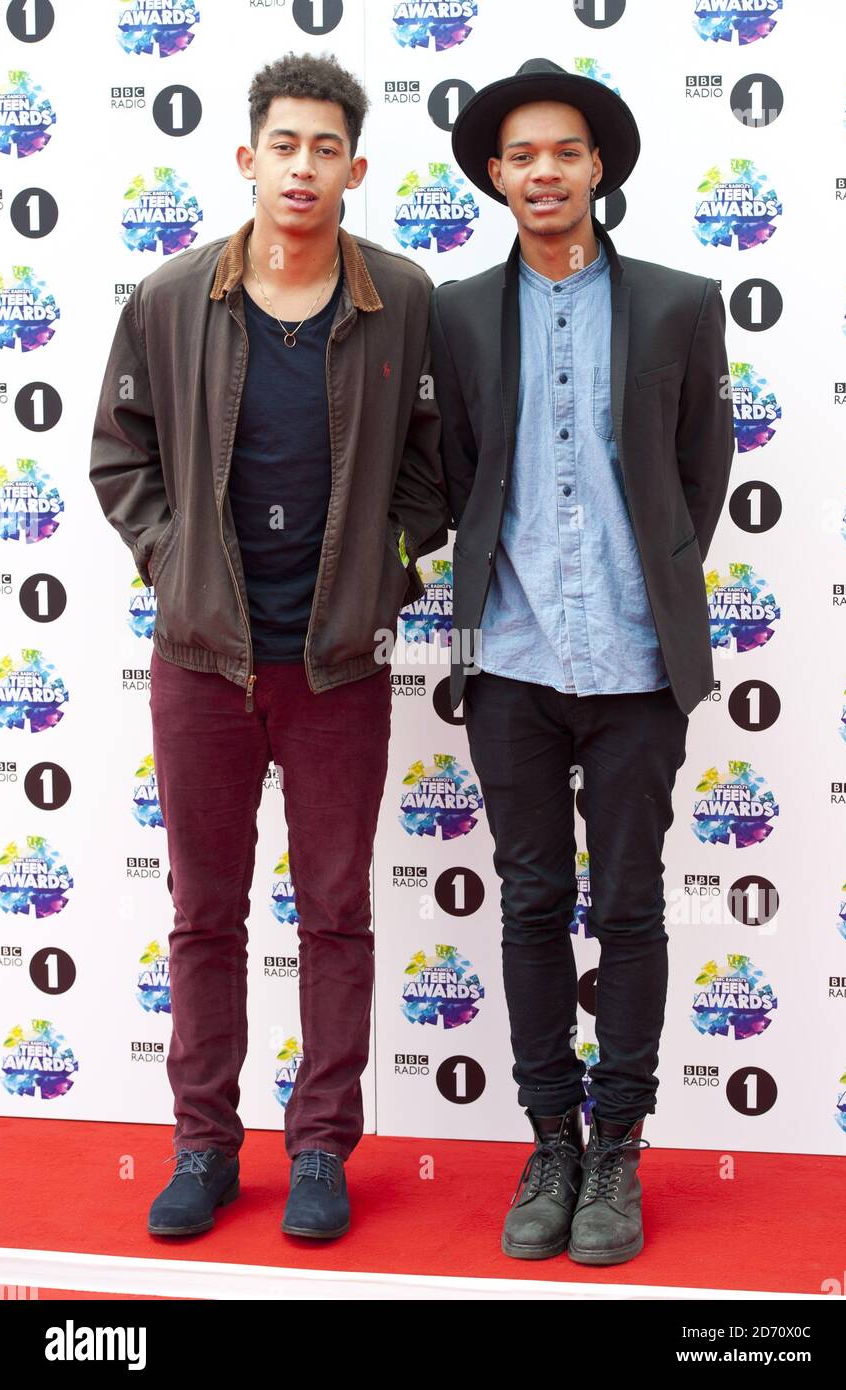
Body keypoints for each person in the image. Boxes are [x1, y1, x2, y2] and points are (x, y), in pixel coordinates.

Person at [89, 51, 448, 1241]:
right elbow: (119, 456)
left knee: (335, 910)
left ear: (355, 164)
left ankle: (320, 1149)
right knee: (203, 912)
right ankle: (202, 1144)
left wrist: (381, 575)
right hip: (203, 661)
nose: (303, 166)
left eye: (325, 147)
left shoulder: (400, 297)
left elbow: (430, 474)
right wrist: (174, 560)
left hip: (336, 666)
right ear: (248, 158)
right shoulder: (171, 297)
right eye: (282, 145)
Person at [429, 58, 734, 1265]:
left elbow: (697, 475)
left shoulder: (675, 302)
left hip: (635, 663)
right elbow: (453, 471)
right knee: (529, 905)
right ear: (494, 177)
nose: (541, 171)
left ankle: (617, 1147)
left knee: (630, 908)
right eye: (519, 156)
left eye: (563, 151)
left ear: (596, 165)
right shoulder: (454, 311)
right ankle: (548, 1138)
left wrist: (643, 585)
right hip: (505, 655)